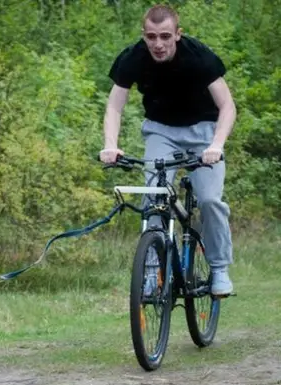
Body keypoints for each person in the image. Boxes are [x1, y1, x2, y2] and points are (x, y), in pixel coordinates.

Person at [99, 4, 236, 296]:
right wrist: (110, 144)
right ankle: (151, 275)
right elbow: (114, 105)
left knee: (210, 201)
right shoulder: (133, 57)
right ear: (144, 35)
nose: (157, 44)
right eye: (151, 37)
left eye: (164, 36)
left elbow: (227, 106)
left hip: (203, 132)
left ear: (177, 34)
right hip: (161, 132)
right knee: (153, 201)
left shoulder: (199, 56)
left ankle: (220, 268)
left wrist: (216, 145)